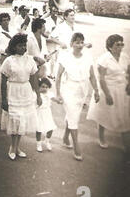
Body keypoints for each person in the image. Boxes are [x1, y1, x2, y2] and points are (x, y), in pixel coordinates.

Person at [55, 33, 100, 161]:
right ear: (71, 44)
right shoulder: (65, 56)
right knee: (73, 116)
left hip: (82, 90)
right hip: (68, 89)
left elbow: (92, 76)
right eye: (77, 42)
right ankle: (76, 147)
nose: (80, 45)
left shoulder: (88, 57)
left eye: (81, 42)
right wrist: (58, 94)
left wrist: (96, 91)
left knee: (73, 115)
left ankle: (65, 137)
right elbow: (58, 77)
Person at [86, 34, 130, 156]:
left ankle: (126, 144)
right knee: (104, 114)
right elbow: (101, 79)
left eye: (122, 44)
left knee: (124, 115)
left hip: (122, 90)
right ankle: (101, 137)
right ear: (110, 47)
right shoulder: (104, 59)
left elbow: (128, 72)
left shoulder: (125, 57)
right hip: (108, 89)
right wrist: (107, 94)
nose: (120, 47)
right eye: (117, 44)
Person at [0, 33, 42, 160]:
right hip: (13, 91)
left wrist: (38, 95)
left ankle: (17, 147)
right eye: (20, 46)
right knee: (15, 120)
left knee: (22, 120)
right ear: (14, 47)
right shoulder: (9, 60)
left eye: (24, 45)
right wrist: (4, 99)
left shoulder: (30, 60)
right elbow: (3, 81)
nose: (23, 48)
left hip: (26, 91)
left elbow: (34, 79)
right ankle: (12, 147)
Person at [36, 77, 59, 152]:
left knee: (50, 128)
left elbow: (53, 99)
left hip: (47, 112)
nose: (44, 89)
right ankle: (38, 143)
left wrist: (59, 101)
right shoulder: (37, 94)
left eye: (46, 87)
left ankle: (47, 140)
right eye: (43, 86)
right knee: (39, 129)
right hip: (39, 112)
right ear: (39, 86)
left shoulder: (49, 94)